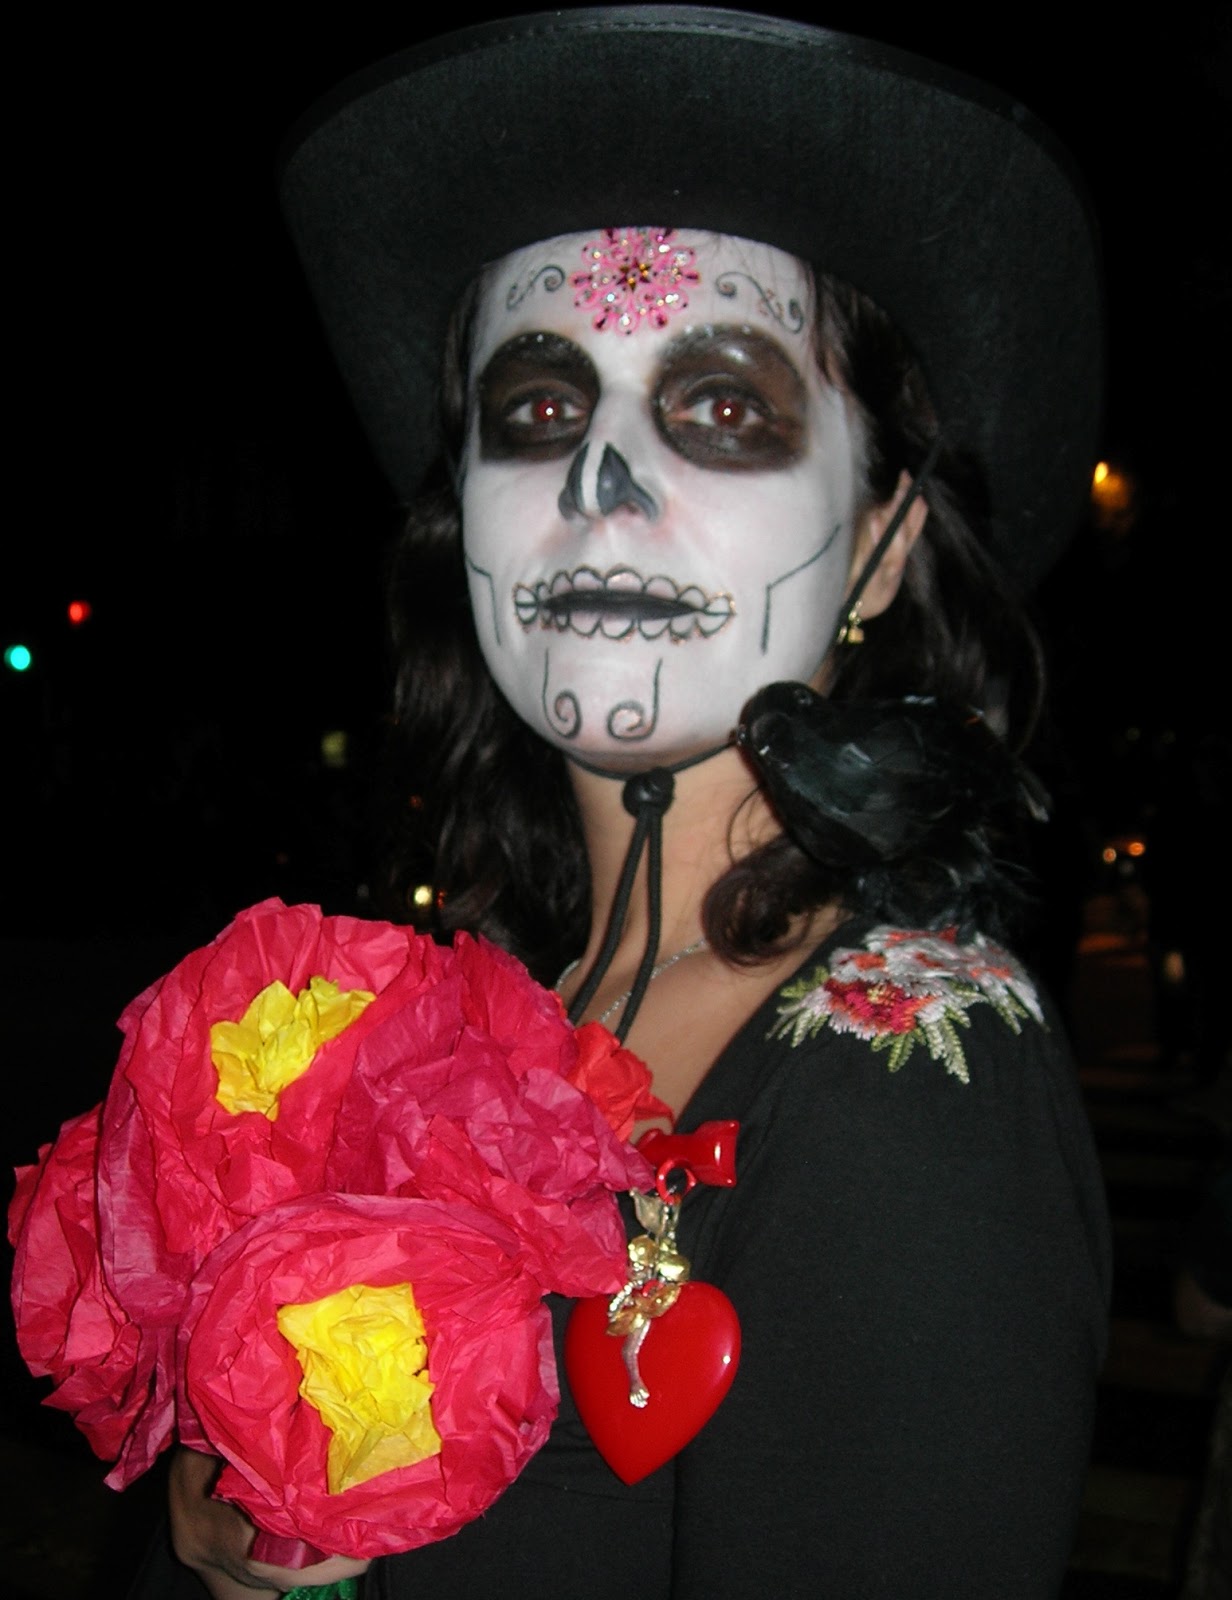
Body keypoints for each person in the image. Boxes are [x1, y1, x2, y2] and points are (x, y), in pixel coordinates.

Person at [145, 9, 1112, 1596]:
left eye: (722, 406)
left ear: (880, 542)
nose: (599, 481)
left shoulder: (913, 1090)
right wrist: (243, 1511)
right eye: (536, 409)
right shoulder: (468, 1006)